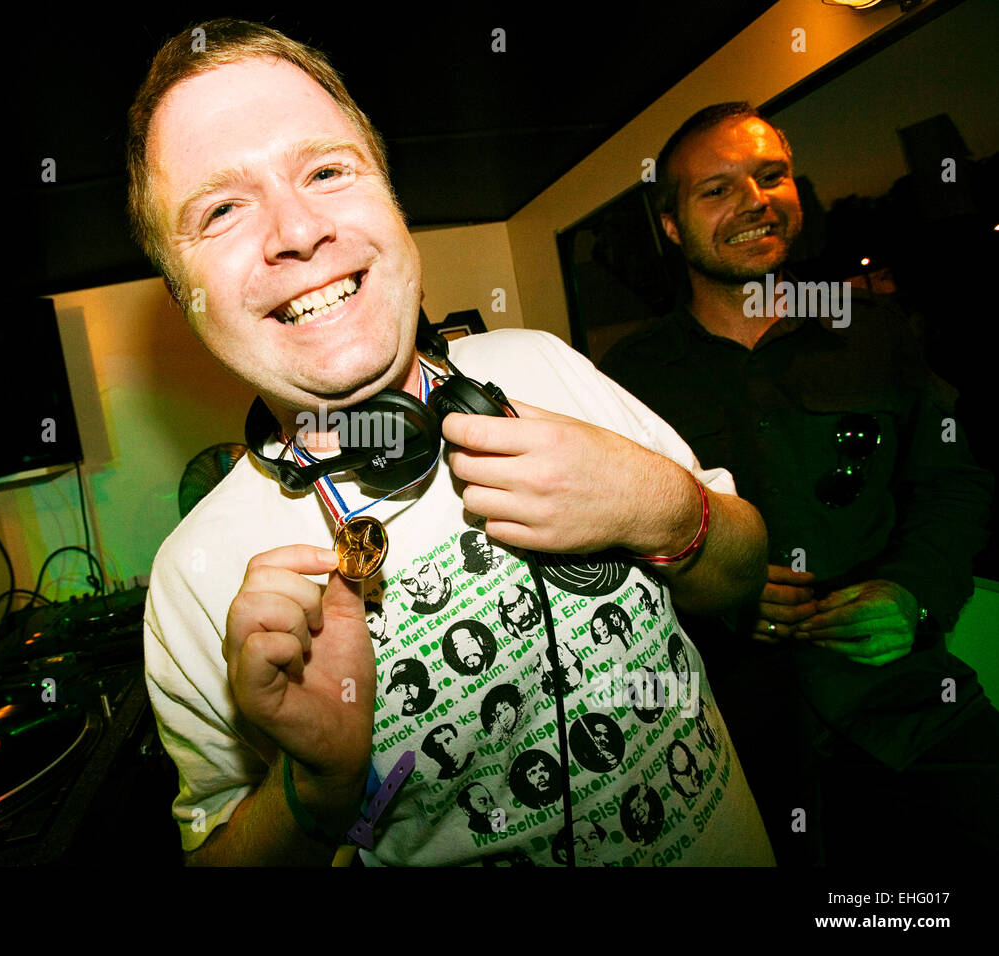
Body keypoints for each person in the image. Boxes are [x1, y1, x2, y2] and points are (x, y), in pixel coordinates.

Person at [136, 20, 775, 866]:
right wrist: (313, 788)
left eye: (327, 170)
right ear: (187, 297)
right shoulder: (192, 578)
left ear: (396, 210)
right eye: (220, 210)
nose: (295, 231)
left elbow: (745, 577)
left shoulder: (541, 364)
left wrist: (660, 504)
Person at [601, 102, 999, 866]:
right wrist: (713, 598)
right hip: (733, 730)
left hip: (904, 700)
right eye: (716, 190)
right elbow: (609, 555)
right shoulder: (627, 378)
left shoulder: (872, 330)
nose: (754, 201)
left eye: (770, 176)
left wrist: (912, 592)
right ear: (673, 227)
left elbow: (952, 481)